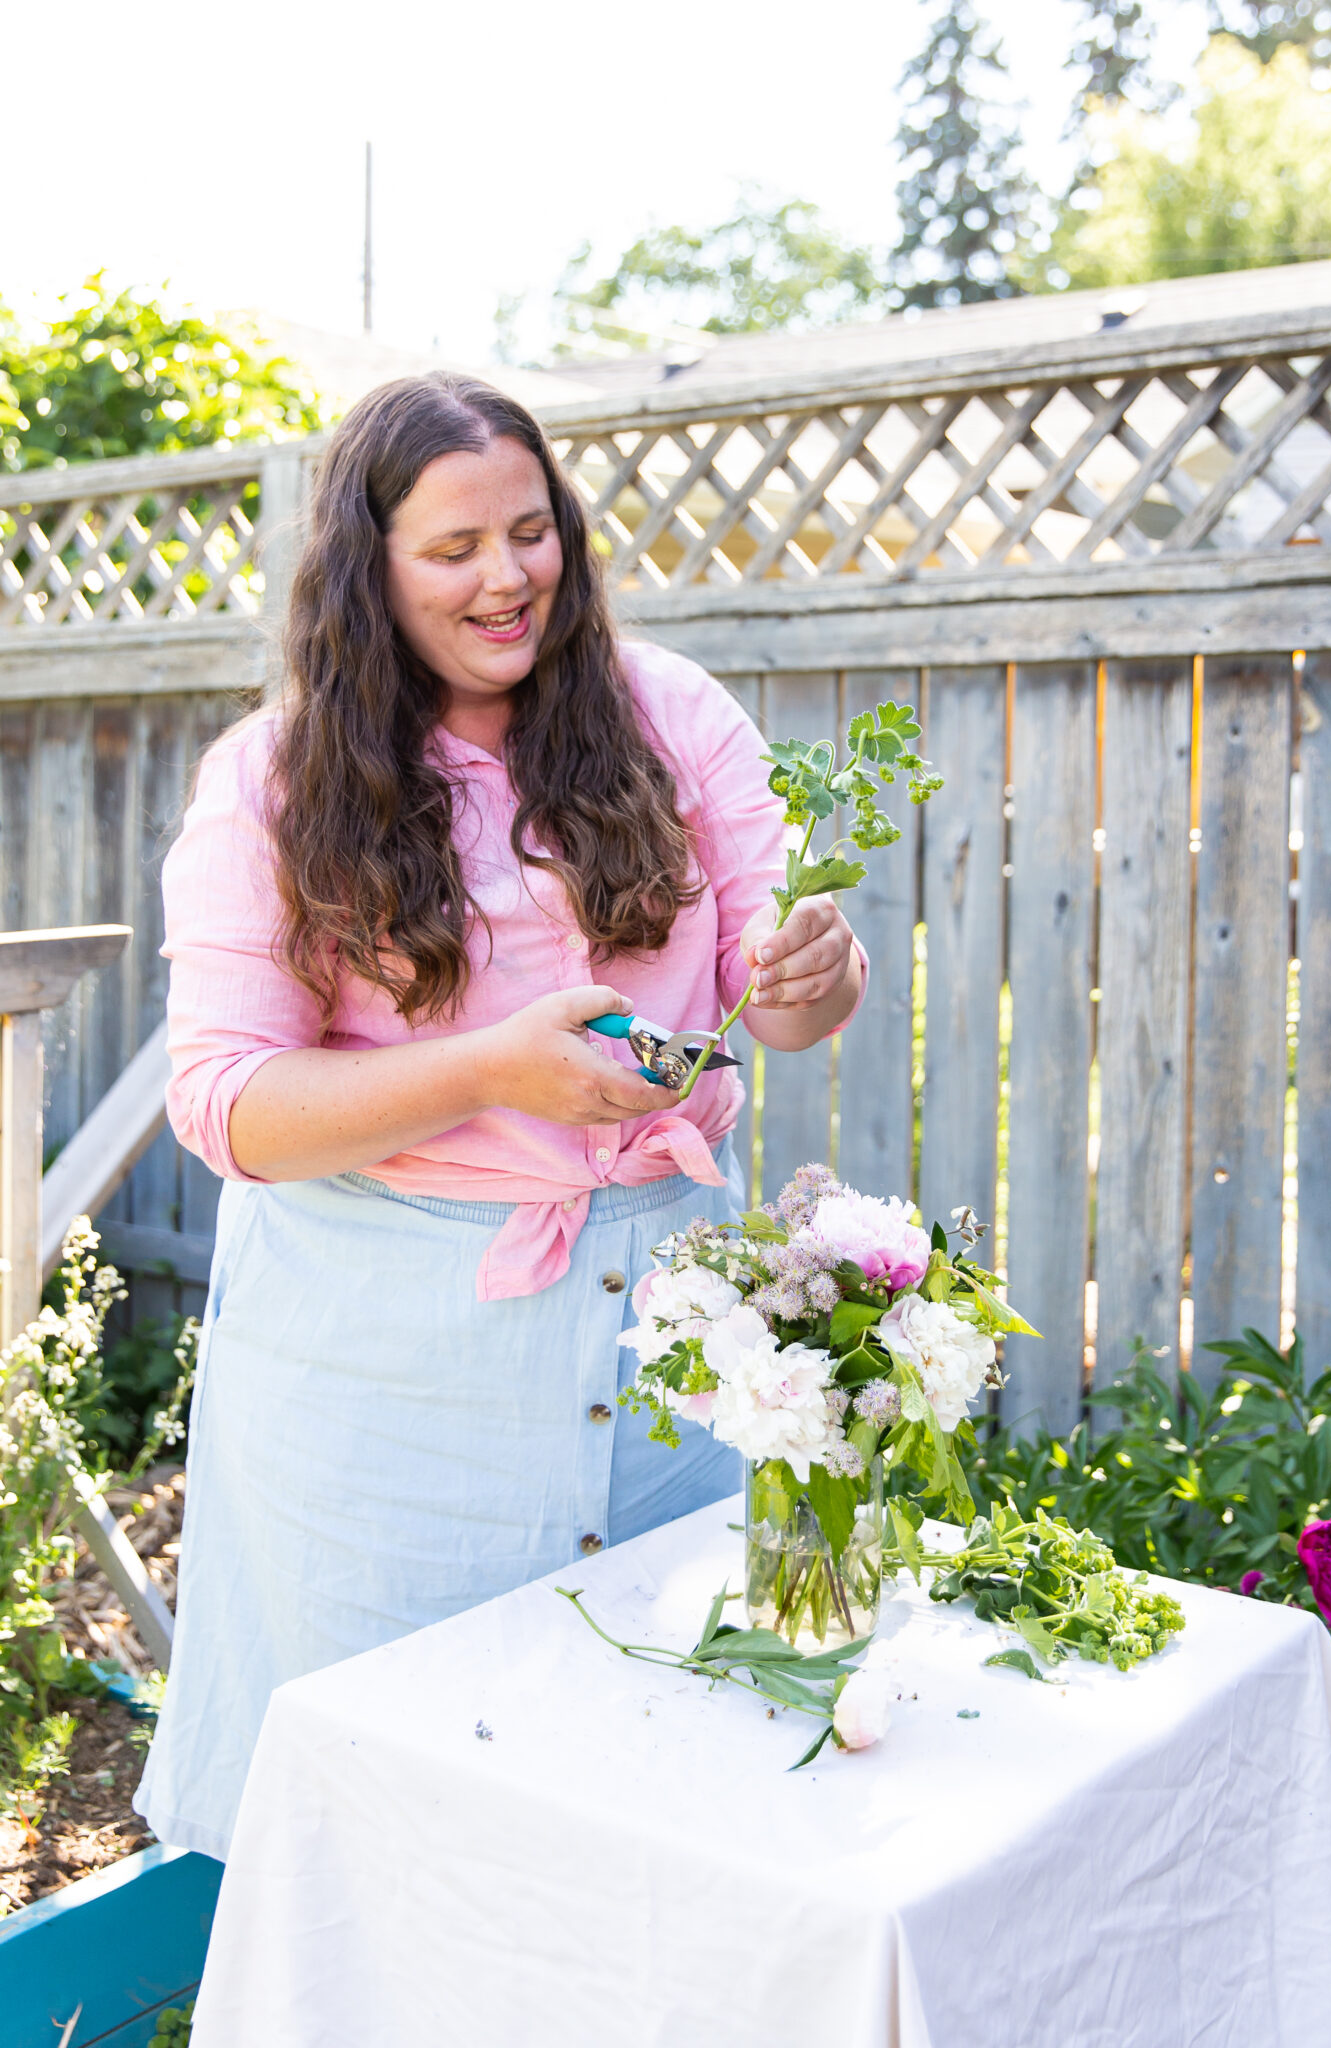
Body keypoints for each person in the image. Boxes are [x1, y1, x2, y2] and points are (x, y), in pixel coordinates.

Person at [134, 373, 866, 1860]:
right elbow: (224, 1106)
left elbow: (771, 1003)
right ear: (368, 565)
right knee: (395, 1800)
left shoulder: (668, 715)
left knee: (648, 1760)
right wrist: (485, 1069)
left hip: (663, 1315)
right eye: (454, 546)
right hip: (384, 1360)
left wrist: (816, 967)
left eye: (531, 532)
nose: (508, 576)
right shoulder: (273, 782)